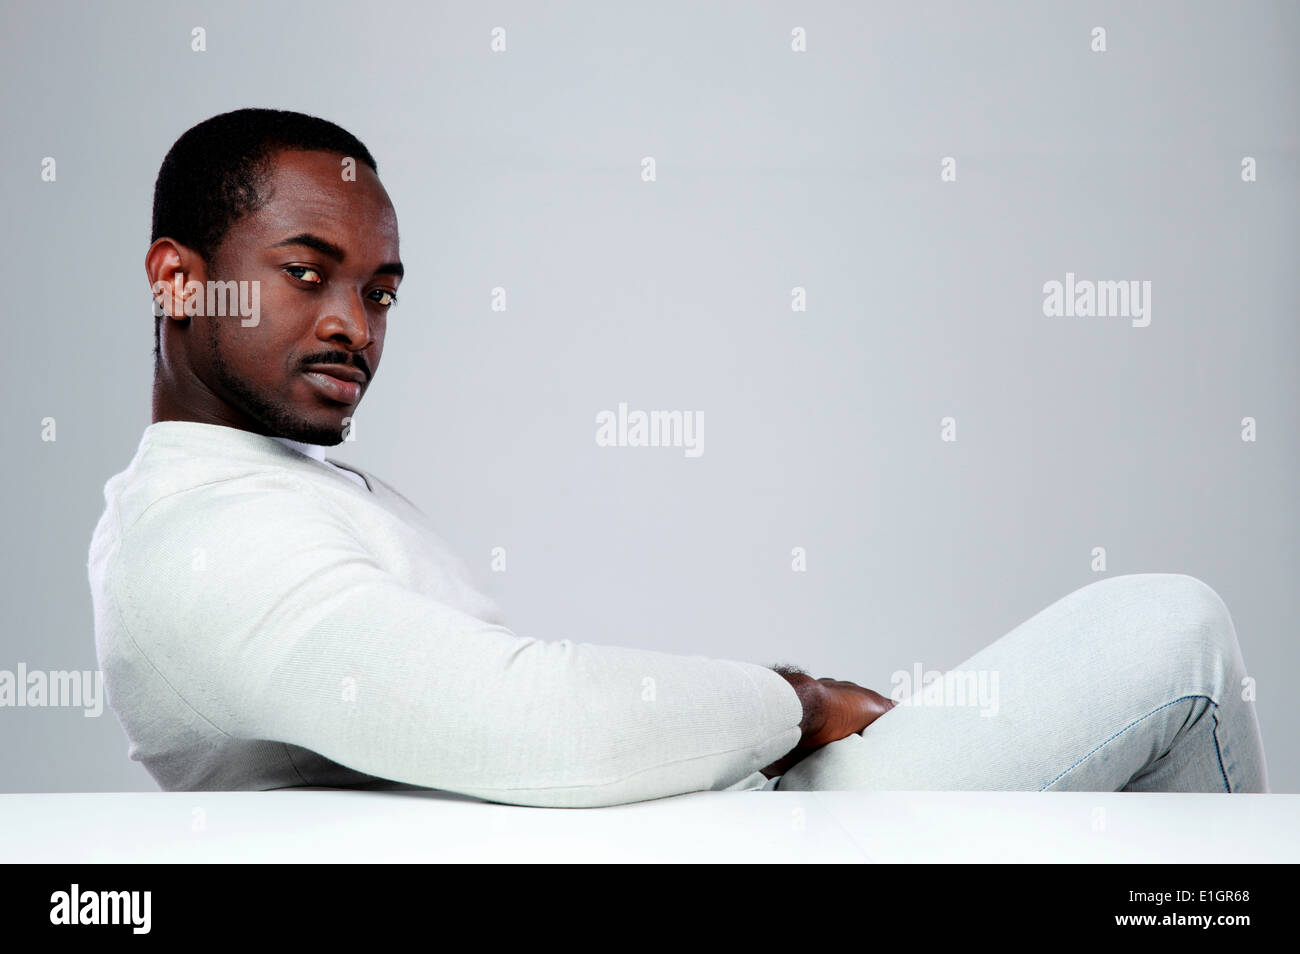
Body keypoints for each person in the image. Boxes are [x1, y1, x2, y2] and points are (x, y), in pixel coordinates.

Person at [87, 108, 1269, 808]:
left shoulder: (267, 489)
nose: (354, 322)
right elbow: (539, 724)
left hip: (725, 819)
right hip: (737, 841)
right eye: (308, 274)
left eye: (380, 291)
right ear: (178, 277)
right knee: (1172, 633)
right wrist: (791, 700)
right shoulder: (199, 547)